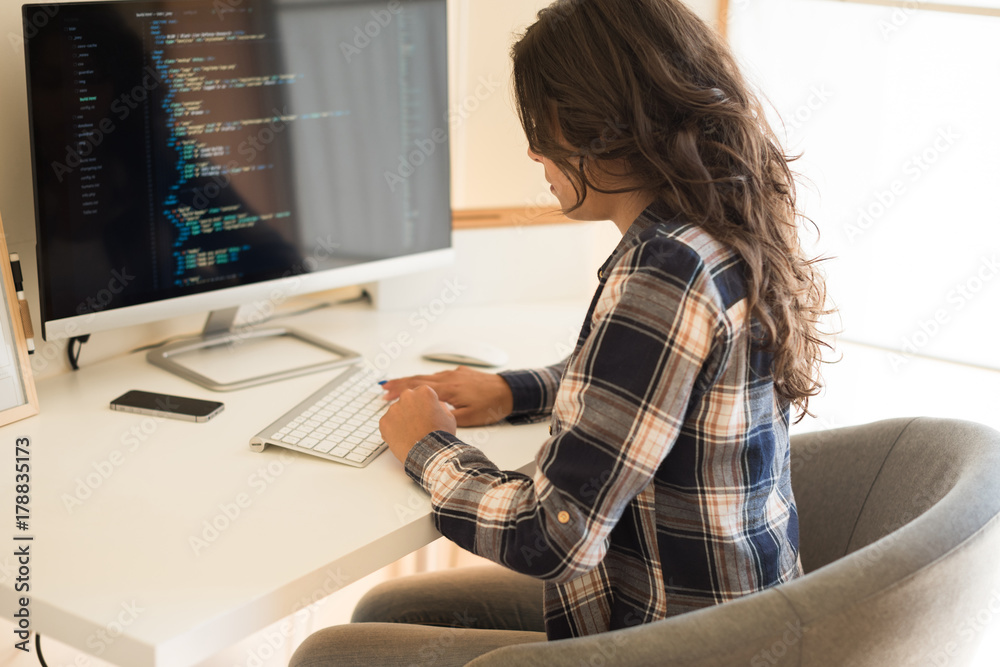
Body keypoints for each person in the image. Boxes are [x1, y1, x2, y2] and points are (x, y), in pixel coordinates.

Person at [290, 0, 830, 663]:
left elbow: (553, 537)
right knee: (388, 610)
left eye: (540, 126)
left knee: (333, 652)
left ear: (601, 128)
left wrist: (426, 447)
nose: (532, 149)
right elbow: (647, 384)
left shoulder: (664, 273)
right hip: (739, 620)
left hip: (679, 645)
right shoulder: (719, 231)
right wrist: (511, 390)